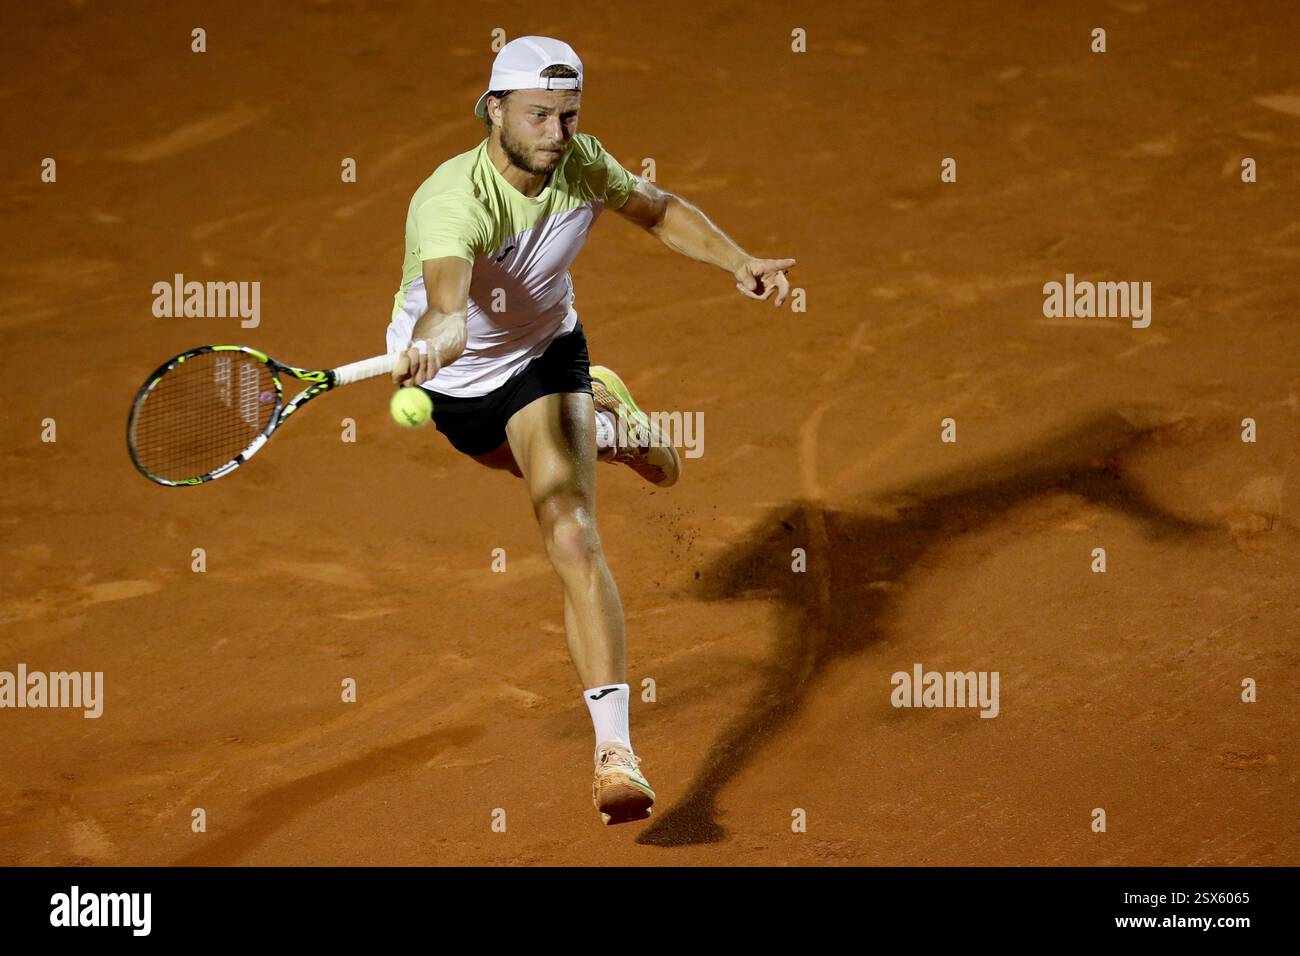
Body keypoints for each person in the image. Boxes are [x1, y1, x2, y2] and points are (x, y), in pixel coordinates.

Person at [387, 35, 795, 825]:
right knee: (519, 466)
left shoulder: (582, 163)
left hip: (544, 356)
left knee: (569, 529)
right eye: (538, 114)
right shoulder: (451, 201)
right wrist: (432, 348)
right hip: (460, 389)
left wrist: (738, 262)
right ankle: (613, 427)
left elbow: (659, 209)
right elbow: (446, 306)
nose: (556, 133)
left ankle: (616, 753)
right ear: (494, 110)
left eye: (568, 115)